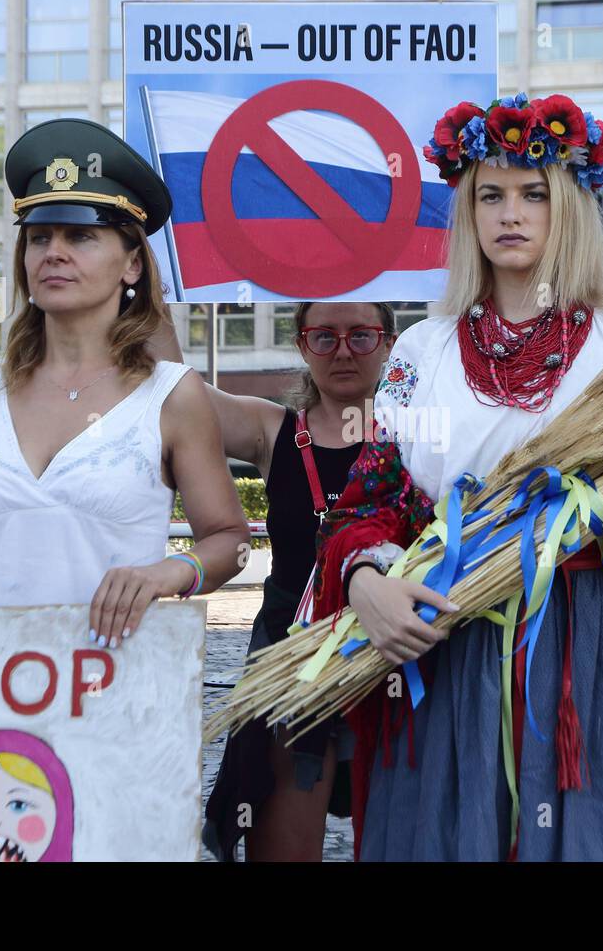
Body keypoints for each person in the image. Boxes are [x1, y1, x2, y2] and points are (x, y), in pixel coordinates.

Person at [307, 93, 603, 860]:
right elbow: (371, 505)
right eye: (490, 194)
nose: (508, 213)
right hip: (450, 648)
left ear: (572, 207)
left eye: (533, 193)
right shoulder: (425, 350)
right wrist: (367, 585)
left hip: (593, 661)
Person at [0, 118, 249, 649]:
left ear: (133, 264)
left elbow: (230, 542)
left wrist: (165, 573)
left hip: (119, 683)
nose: (54, 252)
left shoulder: (171, 393)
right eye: (40, 236)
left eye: (81, 236)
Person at [202, 301, 396, 862]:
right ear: (300, 344)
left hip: (392, 657)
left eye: (361, 336)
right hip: (290, 662)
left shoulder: (421, 432)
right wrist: (146, 262)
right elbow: (175, 391)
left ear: (388, 342)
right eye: (323, 336)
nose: (341, 351)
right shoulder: (272, 430)